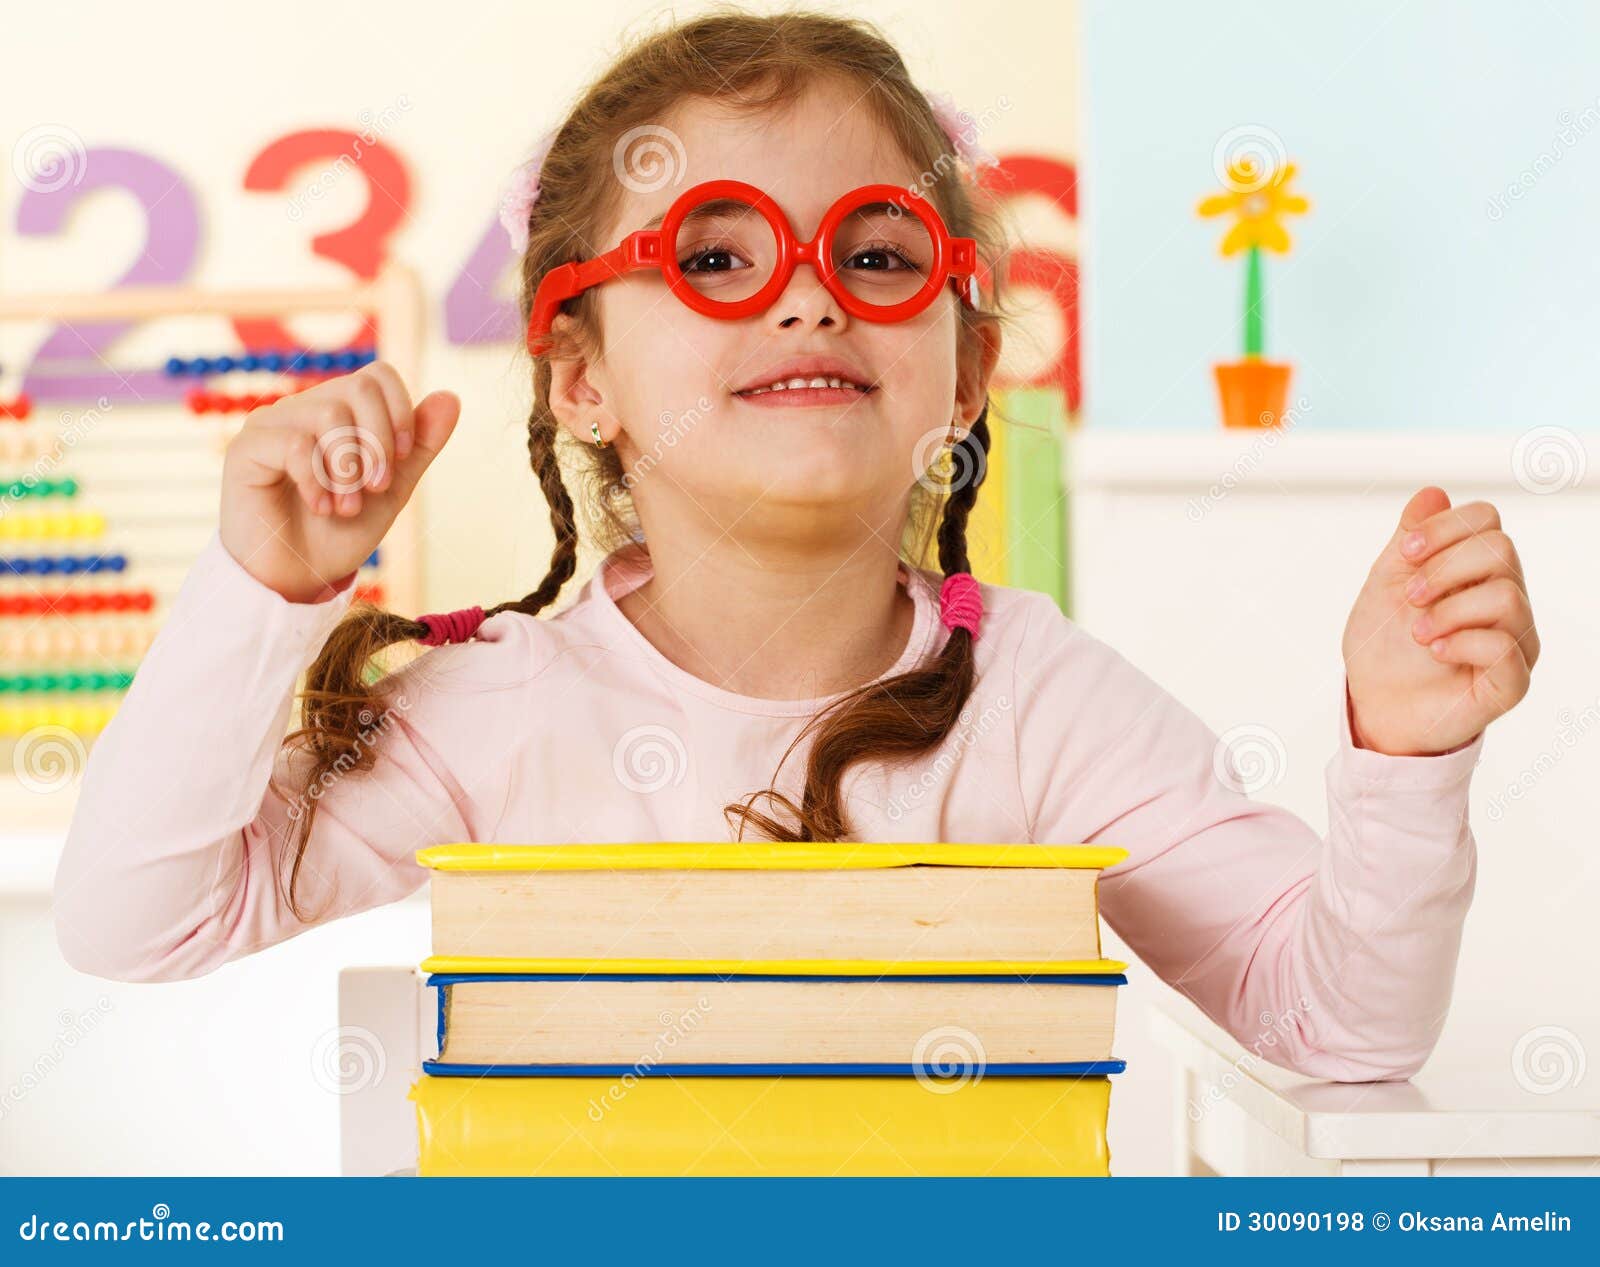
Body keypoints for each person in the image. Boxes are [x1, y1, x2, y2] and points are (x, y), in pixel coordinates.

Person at [54, 10, 1539, 1082]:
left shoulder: (1039, 697)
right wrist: (271, 588)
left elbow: (1340, 1025)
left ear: (962, 373)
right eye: (716, 255)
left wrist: (1405, 760)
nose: (810, 298)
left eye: (879, 253)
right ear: (581, 377)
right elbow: (140, 923)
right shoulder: (492, 711)